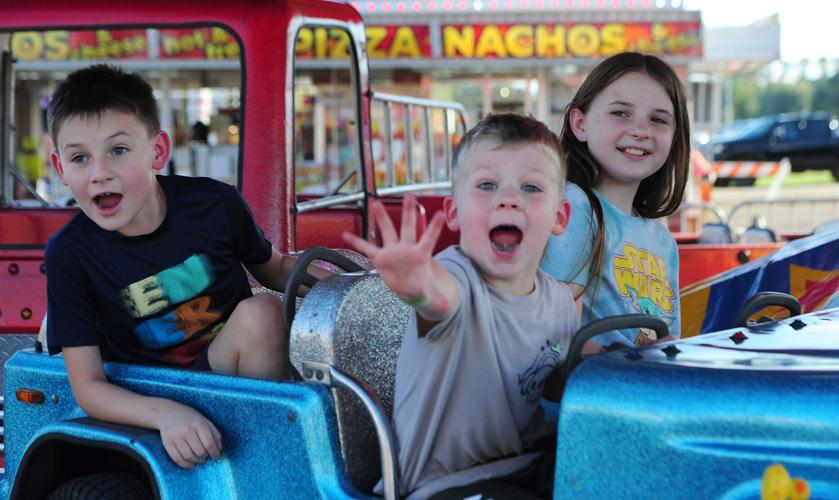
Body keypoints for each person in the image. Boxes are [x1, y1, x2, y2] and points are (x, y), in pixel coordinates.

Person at [44, 64, 323, 470]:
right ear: (60, 170)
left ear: (157, 151)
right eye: (80, 158)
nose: (99, 173)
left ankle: (263, 455)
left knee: (262, 314)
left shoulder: (217, 205)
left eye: (118, 150)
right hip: (148, 397)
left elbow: (276, 269)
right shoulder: (69, 253)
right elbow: (87, 386)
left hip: (230, 378)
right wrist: (163, 414)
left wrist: (348, 288)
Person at [343, 113, 578, 499]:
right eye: (487, 184)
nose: (508, 199)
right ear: (453, 212)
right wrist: (415, 283)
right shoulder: (458, 278)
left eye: (531, 187)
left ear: (559, 216)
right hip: (447, 487)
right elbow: (438, 299)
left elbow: (551, 376)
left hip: (528, 467)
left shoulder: (558, 301)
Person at [541, 52, 690, 351]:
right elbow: (555, 335)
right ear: (580, 124)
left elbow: (668, 338)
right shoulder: (575, 206)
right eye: (620, 113)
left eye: (658, 120)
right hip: (589, 393)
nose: (640, 130)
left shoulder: (662, 239)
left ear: (674, 138)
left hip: (642, 391)